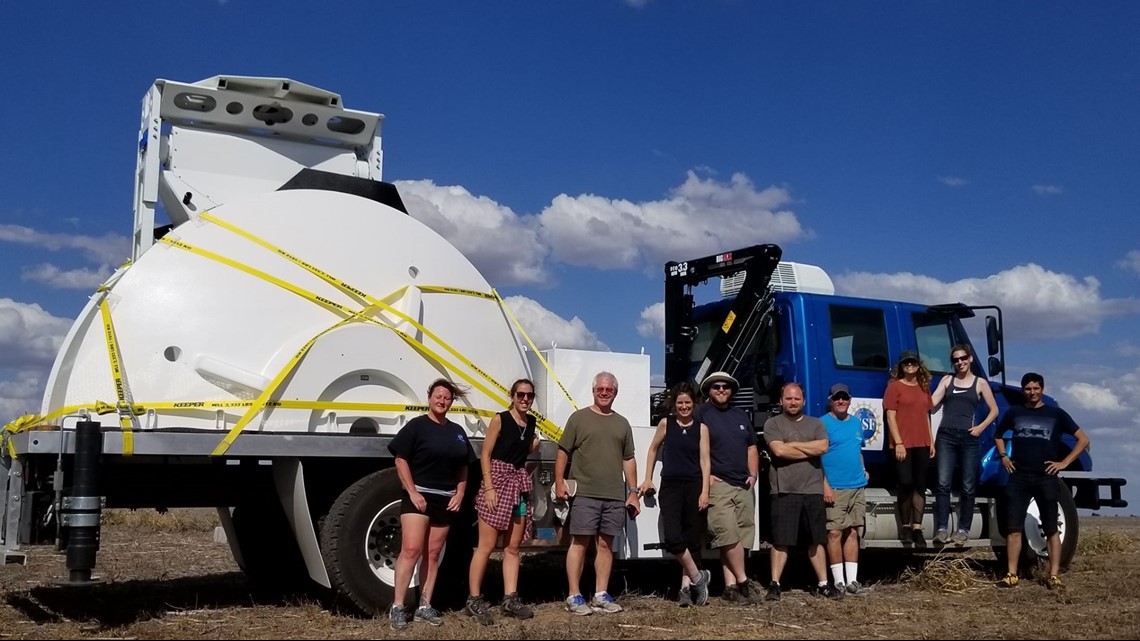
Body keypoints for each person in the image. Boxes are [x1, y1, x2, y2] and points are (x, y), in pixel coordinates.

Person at [387, 379, 478, 630]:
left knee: (433, 554)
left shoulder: (457, 432)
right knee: (411, 550)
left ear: (452, 402)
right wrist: (413, 491)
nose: (442, 401)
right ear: (429, 398)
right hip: (419, 497)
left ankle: (425, 606)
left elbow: (463, 466)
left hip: (445, 500)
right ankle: (397, 607)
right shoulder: (417, 427)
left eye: (447, 397)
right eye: (438, 396)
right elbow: (400, 460)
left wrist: (459, 494)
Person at [994, 372, 1090, 590]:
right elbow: (998, 435)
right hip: (1019, 476)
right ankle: (1011, 574)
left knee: (1051, 528)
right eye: (1028, 389)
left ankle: (1054, 575)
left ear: (1042, 390)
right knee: (1013, 527)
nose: (1032, 392)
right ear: (1023, 391)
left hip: (1046, 477)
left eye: (1036, 388)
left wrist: (1064, 462)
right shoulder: (1014, 413)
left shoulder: (1056, 414)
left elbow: (1083, 439)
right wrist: (1003, 456)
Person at [555, 371, 640, 615]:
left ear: (615, 392)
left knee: (606, 545)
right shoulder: (578, 418)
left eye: (609, 389)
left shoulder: (622, 423)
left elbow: (629, 459)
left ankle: (601, 594)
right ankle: (574, 596)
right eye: (600, 389)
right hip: (585, 493)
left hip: (614, 495)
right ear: (593, 391)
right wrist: (560, 481)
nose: (604, 393)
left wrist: (632, 491)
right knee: (579, 543)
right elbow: (563, 452)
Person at [465, 379, 541, 625]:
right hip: (497, 480)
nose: (525, 399)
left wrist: (533, 445)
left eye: (529, 395)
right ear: (512, 395)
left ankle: (510, 598)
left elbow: (520, 448)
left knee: (513, 547)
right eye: (521, 394)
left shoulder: (531, 423)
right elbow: (485, 454)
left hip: (518, 485)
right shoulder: (500, 419)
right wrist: (488, 487)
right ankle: (474, 600)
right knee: (486, 546)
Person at [638, 381, 712, 607]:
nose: (684, 406)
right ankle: (700, 578)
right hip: (670, 485)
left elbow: (705, 461)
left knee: (692, 538)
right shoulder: (665, 424)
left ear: (694, 404)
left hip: (694, 485)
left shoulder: (701, 428)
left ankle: (685, 589)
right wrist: (648, 477)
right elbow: (652, 450)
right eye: (680, 403)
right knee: (673, 537)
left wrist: (705, 491)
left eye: (687, 402)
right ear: (674, 404)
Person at [764, 382, 841, 599]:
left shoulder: (816, 423)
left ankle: (824, 583)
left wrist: (792, 447)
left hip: (813, 490)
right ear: (781, 401)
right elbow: (778, 451)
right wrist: (809, 449)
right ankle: (775, 583)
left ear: (804, 401)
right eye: (788, 398)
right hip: (783, 489)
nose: (793, 402)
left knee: (816, 540)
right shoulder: (773, 423)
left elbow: (823, 447)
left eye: (797, 398)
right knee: (781, 540)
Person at [696, 371, 764, 604]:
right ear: (708, 390)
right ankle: (744, 582)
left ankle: (730, 588)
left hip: (743, 485)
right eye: (716, 387)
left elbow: (751, 448)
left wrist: (753, 475)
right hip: (719, 484)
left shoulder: (741, 415)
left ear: (732, 390)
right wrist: (706, 477)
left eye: (725, 386)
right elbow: (691, 446)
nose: (721, 390)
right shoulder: (701, 414)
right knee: (726, 535)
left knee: (741, 538)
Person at [929, 345, 999, 546]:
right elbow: (932, 404)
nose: (959, 362)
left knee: (968, 485)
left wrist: (980, 427)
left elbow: (993, 410)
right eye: (955, 359)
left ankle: (963, 529)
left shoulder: (980, 383)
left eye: (962, 358)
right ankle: (942, 529)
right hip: (946, 436)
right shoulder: (947, 380)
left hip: (969, 438)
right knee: (943, 484)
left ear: (969, 359)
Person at [820, 383, 869, 596]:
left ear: (850, 400)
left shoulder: (857, 423)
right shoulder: (822, 424)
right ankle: (838, 581)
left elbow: (858, 450)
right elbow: (817, 458)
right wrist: (825, 486)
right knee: (834, 532)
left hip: (857, 486)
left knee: (852, 532)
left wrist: (864, 469)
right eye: (837, 398)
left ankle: (852, 581)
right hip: (835, 487)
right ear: (830, 400)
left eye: (845, 398)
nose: (841, 401)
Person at [883, 350, 935, 546]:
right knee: (906, 483)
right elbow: (890, 416)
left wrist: (931, 441)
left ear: (919, 365)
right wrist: (898, 443)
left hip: (922, 443)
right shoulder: (894, 387)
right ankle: (905, 526)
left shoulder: (923, 388)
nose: (910, 366)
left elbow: (926, 416)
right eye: (906, 363)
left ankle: (917, 528)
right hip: (902, 444)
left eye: (913, 363)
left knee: (920, 485)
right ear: (901, 367)